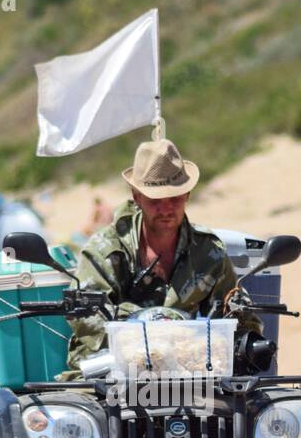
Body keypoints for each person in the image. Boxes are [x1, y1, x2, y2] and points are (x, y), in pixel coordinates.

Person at [63, 137, 260, 375]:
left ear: (187, 195)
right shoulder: (104, 250)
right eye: (156, 200)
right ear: (136, 196)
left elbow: (235, 318)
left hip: (192, 373)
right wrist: (151, 337)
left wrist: (242, 342)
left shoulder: (208, 252)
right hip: (112, 375)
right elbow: (87, 319)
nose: (166, 209)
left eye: (175, 198)